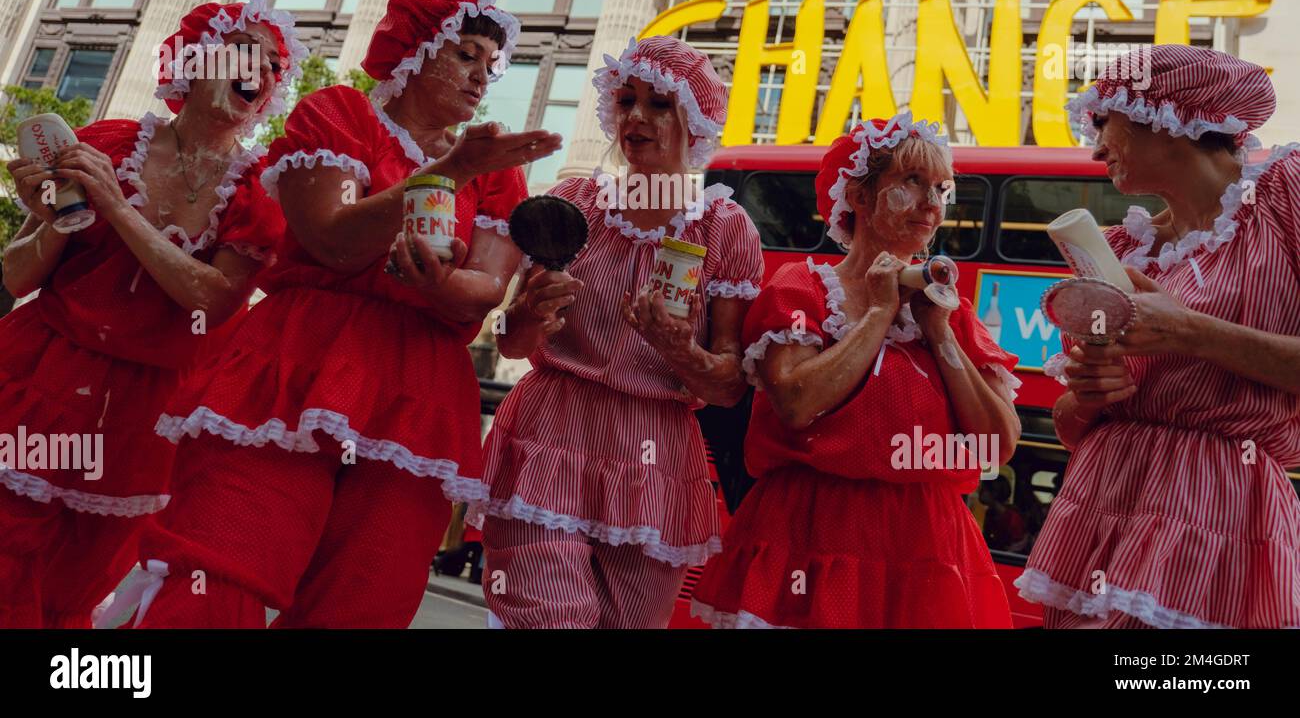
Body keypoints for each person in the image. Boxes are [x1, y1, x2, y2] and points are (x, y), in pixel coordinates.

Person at [103, 0, 562, 629]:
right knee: (222, 563)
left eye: (492, 65)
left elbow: (485, 289)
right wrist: (447, 175)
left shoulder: (496, 170)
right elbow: (331, 238)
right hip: (300, 360)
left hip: (421, 391)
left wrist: (432, 282)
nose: (482, 76)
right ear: (414, 52)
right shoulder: (340, 115)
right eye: (465, 55)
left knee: (364, 600)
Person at [0, 0, 300, 627]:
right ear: (192, 62)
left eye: (275, 64)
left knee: (75, 589)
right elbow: (18, 272)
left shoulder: (256, 190)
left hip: (149, 412)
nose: (264, 71)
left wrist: (116, 206)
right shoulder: (104, 142)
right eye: (247, 52)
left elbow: (212, 301)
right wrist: (59, 219)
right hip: (40, 372)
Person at [468, 36, 765, 629]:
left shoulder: (725, 228)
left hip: (654, 455)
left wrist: (680, 349)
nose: (636, 117)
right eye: (627, 100)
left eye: (659, 105)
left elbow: (731, 385)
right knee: (547, 616)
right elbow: (509, 342)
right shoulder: (574, 201)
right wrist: (529, 312)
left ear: (696, 120)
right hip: (552, 429)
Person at [690, 114, 1022, 628]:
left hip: (928, 543)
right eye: (911, 182)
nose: (933, 203)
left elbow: (995, 446)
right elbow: (798, 404)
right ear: (860, 197)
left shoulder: (953, 315)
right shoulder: (800, 288)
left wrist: (940, 335)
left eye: (941, 188)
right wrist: (878, 314)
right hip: (812, 526)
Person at [1018, 44, 1300, 628]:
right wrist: (1089, 393)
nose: (1095, 147)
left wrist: (1190, 331)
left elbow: (1191, 337)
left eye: (1104, 122)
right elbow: (1072, 425)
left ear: (1168, 118)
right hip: (1100, 502)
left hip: (1215, 507)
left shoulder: (1283, 195)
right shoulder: (1119, 249)